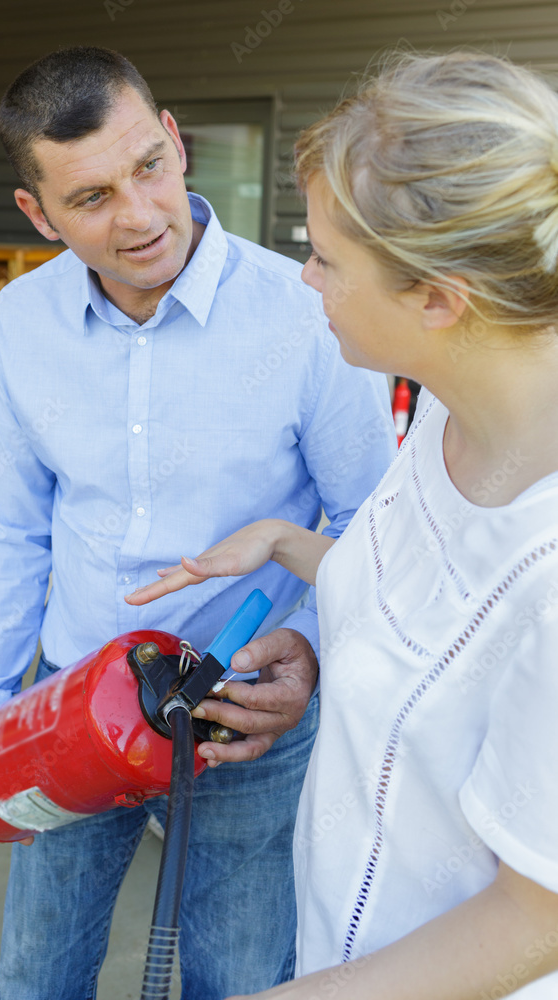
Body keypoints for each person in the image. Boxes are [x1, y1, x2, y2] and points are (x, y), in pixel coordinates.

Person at [0, 46, 396, 1000]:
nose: (140, 217)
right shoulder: (19, 322)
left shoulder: (308, 312)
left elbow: (367, 521)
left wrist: (307, 648)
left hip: (245, 715)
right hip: (67, 707)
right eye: (90, 197)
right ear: (39, 214)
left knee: (239, 980)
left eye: (148, 166)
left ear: (174, 142)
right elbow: (9, 526)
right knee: (35, 973)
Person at [127, 50, 558, 999]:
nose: (303, 278)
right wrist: (291, 547)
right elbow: (432, 605)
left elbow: (536, 921)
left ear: (439, 298)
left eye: (324, 257)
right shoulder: (448, 409)